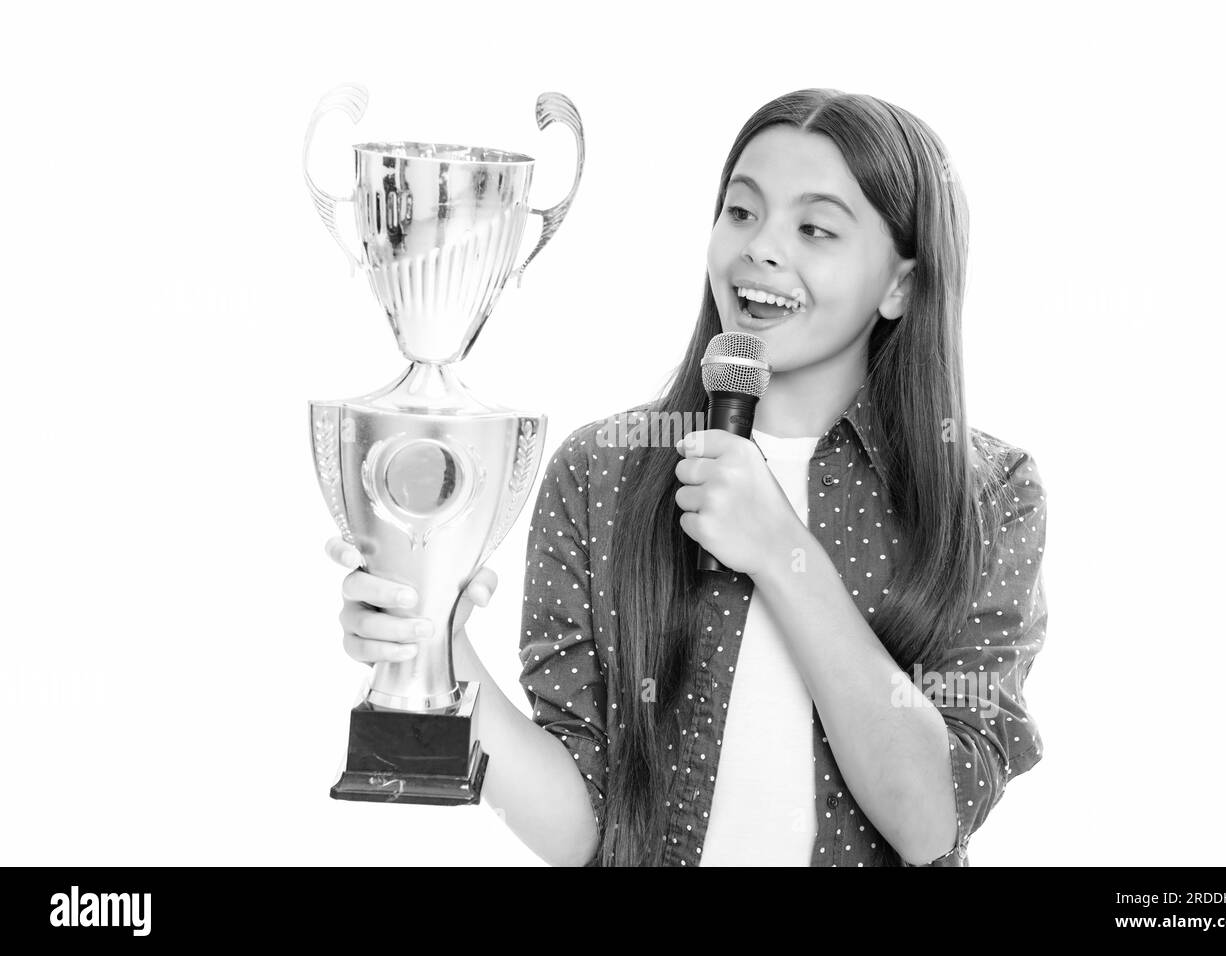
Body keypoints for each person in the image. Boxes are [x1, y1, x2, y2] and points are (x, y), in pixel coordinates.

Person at [327, 88, 1049, 867]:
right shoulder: (602, 472)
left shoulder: (987, 494)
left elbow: (930, 820)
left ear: (901, 284)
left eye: (814, 227)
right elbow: (583, 828)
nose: (761, 249)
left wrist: (779, 550)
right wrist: (436, 638)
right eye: (741, 212)